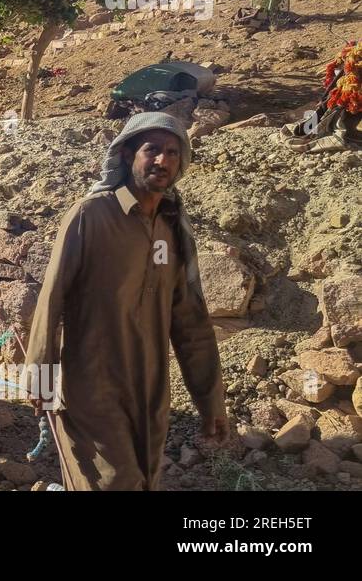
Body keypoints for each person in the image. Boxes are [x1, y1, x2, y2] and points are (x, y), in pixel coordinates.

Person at [23, 111, 228, 490]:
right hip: (93, 385)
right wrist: (41, 378)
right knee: (117, 482)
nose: (162, 160)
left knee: (145, 479)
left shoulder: (171, 229)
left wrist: (210, 401)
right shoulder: (91, 215)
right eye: (152, 150)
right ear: (127, 155)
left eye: (172, 152)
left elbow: (191, 323)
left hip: (151, 390)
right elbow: (51, 298)